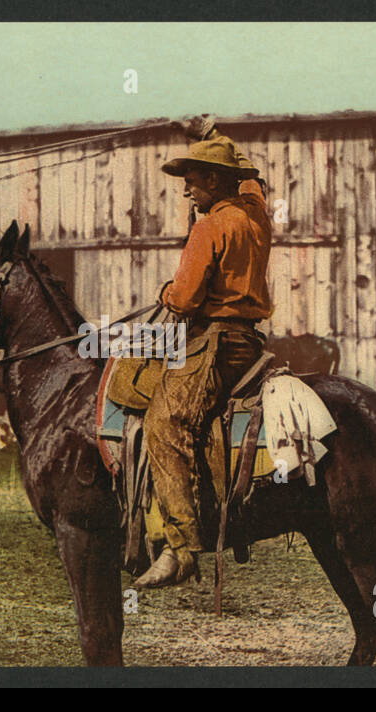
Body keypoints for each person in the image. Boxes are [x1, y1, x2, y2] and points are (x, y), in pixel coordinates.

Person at [134, 120, 273, 589]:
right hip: (251, 344)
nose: (188, 191)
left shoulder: (210, 226)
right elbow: (253, 182)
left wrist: (168, 293)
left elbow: (187, 298)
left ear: (213, 180)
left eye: (192, 181)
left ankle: (182, 546)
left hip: (213, 345)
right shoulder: (256, 216)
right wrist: (217, 132)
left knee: (163, 423)